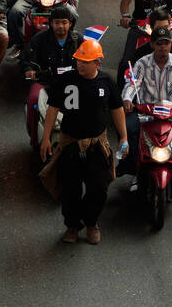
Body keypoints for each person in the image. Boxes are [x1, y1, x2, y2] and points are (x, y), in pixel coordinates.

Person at [38, 38, 128, 245]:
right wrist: (46, 138)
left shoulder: (107, 83)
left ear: (97, 63)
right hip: (70, 144)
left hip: (96, 145)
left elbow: (117, 110)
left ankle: (91, 223)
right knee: (70, 190)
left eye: (85, 62)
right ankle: (72, 225)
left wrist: (123, 137)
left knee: (99, 187)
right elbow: (52, 108)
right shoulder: (66, 81)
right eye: (78, 61)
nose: (80, 65)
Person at [123, 28, 172, 181]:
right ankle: (134, 169)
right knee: (127, 128)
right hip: (147, 114)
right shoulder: (142, 63)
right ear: (152, 45)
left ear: (170, 44)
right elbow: (132, 85)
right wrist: (127, 100)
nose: (163, 47)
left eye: (166, 43)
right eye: (159, 43)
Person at [20, 7, 82, 145]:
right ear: (51, 23)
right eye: (57, 22)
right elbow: (26, 58)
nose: (61, 26)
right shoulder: (39, 39)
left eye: (64, 22)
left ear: (70, 23)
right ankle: (35, 140)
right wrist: (28, 69)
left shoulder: (78, 39)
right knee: (33, 100)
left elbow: (88, 59)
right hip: (45, 82)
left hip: (71, 84)